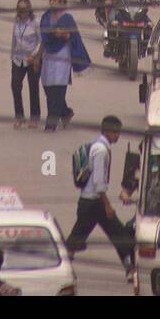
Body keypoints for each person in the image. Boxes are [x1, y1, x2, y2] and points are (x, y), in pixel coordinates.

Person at [66, 115, 135, 280]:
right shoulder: (101, 151)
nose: (118, 136)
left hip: (87, 202)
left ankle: (130, 269)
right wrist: (107, 205)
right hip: (94, 203)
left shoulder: (97, 147)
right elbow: (98, 183)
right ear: (108, 132)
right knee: (119, 235)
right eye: (116, 132)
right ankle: (130, 269)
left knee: (76, 239)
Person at [37, 0, 90, 131]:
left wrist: (63, 35)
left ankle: (51, 124)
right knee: (48, 88)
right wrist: (38, 56)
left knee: (58, 89)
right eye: (51, 0)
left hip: (62, 57)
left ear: (62, 2)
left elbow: (71, 36)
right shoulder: (46, 17)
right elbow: (44, 38)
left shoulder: (67, 18)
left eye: (55, 0)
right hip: (48, 57)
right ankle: (66, 113)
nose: (52, 2)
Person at [10, 0, 41, 128]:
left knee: (33, 88)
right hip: (18, 60)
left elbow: (40, 42)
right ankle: (19, 116)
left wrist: (34, 56)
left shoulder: (35, 23)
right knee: (15, 86)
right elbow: (14, 40)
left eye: (24, 11)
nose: (22, 13)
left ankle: (34, 117)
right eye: (20, 10)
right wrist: (12, 56)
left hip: (32, 60)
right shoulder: (16, 22)